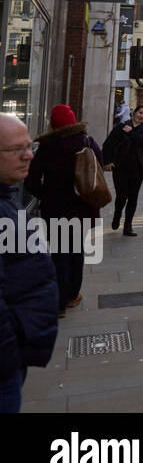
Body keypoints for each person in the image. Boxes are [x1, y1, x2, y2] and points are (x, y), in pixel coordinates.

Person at [0, 115, 58, 413]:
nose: (29, 155)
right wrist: (13, 344)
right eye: (16, 149)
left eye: (29, 146)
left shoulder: (7, 198)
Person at [23, 105, 102, 315]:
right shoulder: (87, 142)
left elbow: (31, 181)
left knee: (59, 253)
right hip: (83, 208)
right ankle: (72, 295)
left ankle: (58, 303)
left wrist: (46, 195)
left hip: (56, 209)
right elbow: (99, 167)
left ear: (53, 124)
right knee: (76, 250)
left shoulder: (47, 147)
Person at [103, 103, 143, 236]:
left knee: (133, 196)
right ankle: (117, 215)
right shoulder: (121, 126)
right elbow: (108, 144)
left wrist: (131, 132)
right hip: (120, 167)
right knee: (121, 196)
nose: (141, 116)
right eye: (140, 113)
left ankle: (128, 225)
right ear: (134, 112)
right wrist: (108, 161)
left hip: (138, 167)